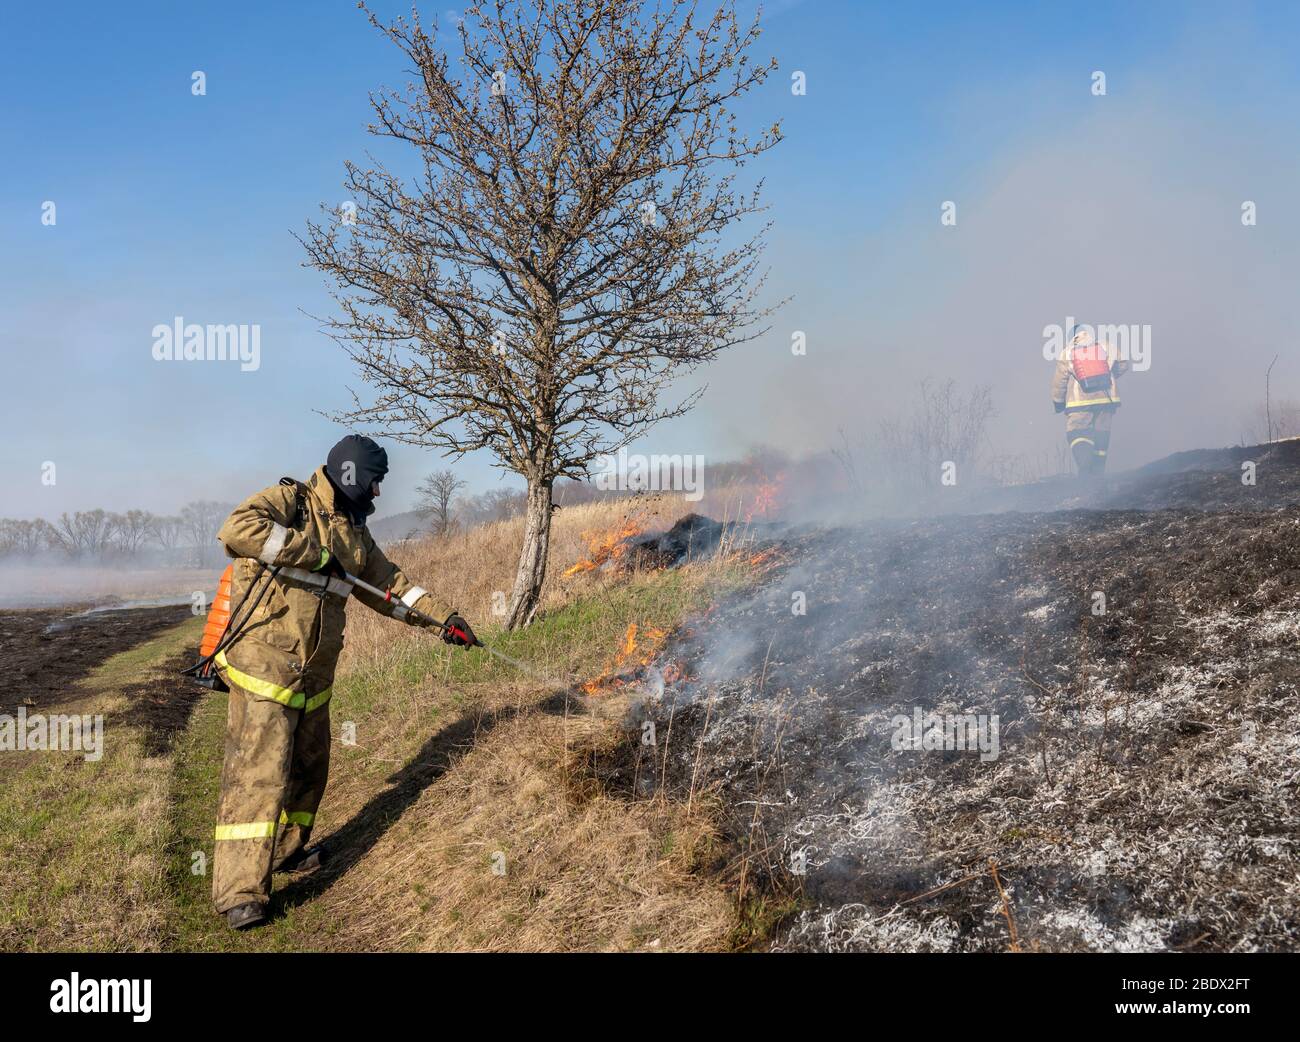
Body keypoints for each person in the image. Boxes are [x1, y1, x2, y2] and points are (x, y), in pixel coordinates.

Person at [209, 435, 476, 930]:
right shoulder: (293, 502)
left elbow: (391, 586)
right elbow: (236, 528)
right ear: (352, 474)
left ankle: (287, 854)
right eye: (375, 481)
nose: (377, 493)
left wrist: (445, 620)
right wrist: (308, 553)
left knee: (310, 773)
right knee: (259, 778)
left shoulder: (355, 534)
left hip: (314, 676)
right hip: (266, 667)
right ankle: (240, 892)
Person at [1051, 325, 1130, 476]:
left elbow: (1059, 382)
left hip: (1079, 403)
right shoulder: (1107, 346)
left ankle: (1085, 469)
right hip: (1107, 400)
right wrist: (1108, 378)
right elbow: (1123, 364)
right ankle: (1098, 473)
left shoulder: (1067, 352)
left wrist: (1058, 402)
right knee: (1102, 434)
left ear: (1072, 337)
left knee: (1077, 433)